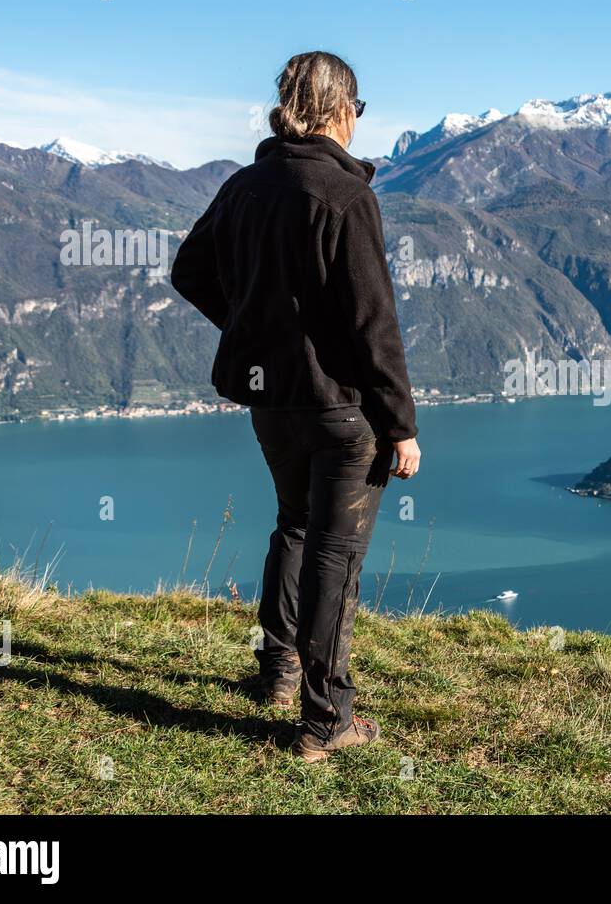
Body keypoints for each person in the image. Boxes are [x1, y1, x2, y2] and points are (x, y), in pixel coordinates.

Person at [171, 51, 420, 760]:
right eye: (358, 112)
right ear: (342, 110)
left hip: (271, 399)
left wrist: (252, 330)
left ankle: (277, 670)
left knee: (294, 527)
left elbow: (188, 269)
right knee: (335, 556)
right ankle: (325, 720)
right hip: (343, 412)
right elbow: (375, 324)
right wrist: (401, 425)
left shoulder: (244, 187)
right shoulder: (346, 196)